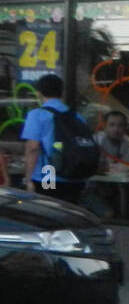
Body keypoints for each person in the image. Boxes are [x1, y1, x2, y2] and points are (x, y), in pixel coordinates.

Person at [21, 74, 92, 205]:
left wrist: (28, 179)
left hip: (48, 175)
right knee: (69, 215)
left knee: (48, 214)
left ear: (39, 93)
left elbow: (33, 148)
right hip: (76, 176)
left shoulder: (37, 114)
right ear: (61, 92)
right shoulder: (77, 117)